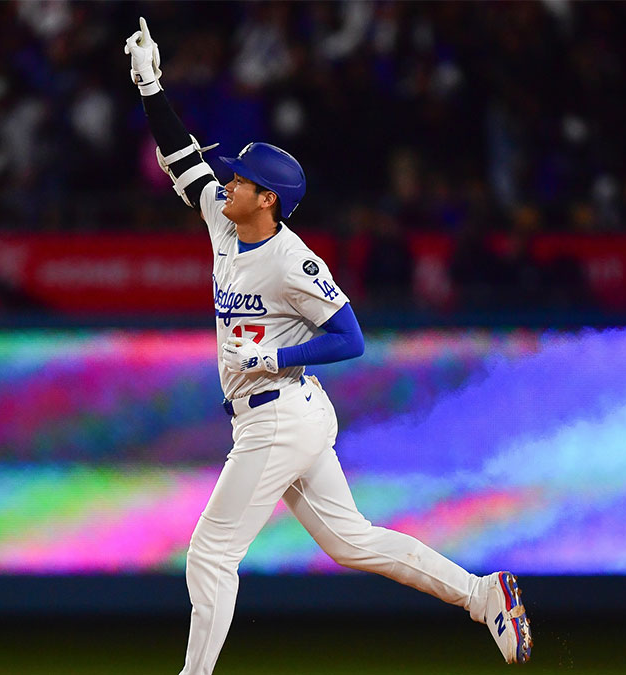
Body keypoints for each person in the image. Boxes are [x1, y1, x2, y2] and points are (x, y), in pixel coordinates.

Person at [124, 18, 532, 673]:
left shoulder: (293, 261)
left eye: (240, 181)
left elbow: (351, 337)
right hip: (284, 412)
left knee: (210, 553)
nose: (227, 184)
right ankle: (483, 595)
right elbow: (183, 159)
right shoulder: (225, 223)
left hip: (279, 412)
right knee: (352, 542)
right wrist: (150, 85)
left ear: (268, 199)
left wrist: (273, 358)